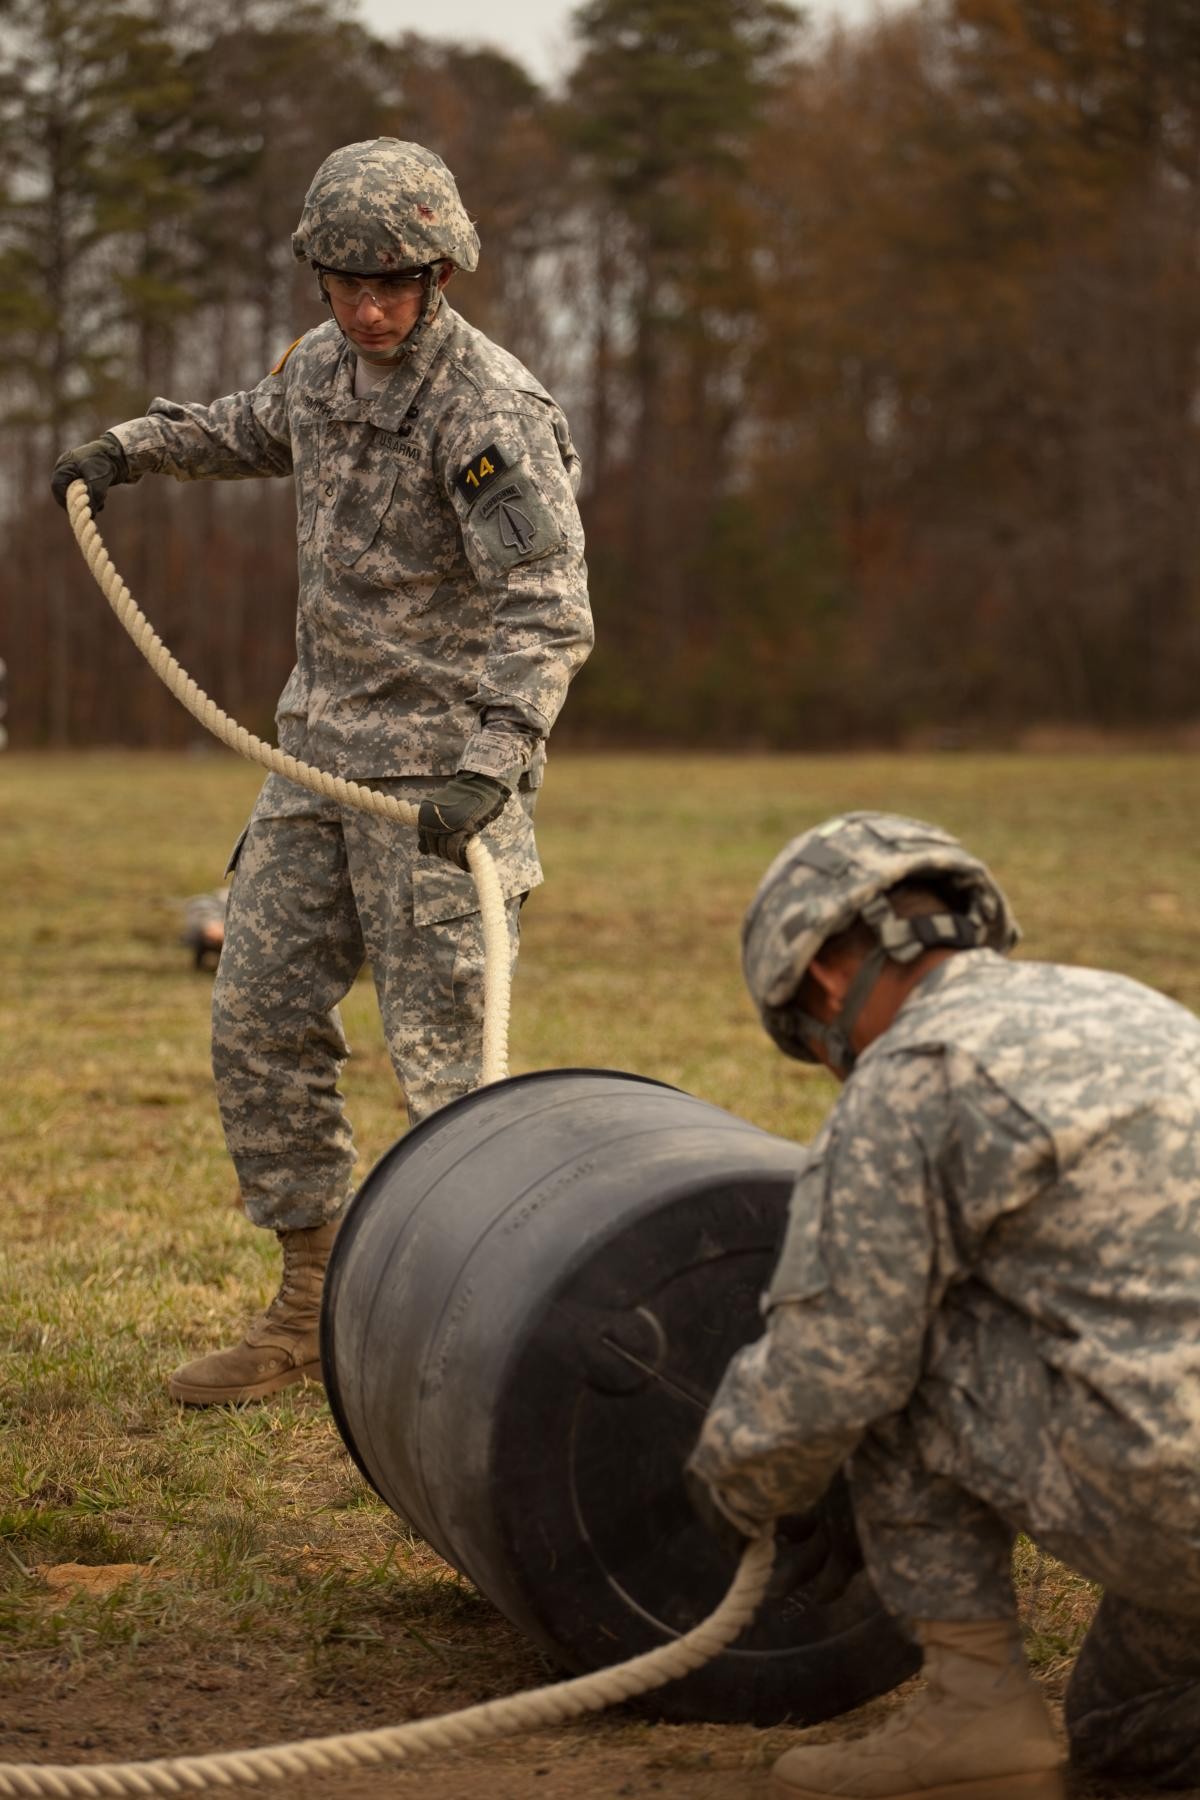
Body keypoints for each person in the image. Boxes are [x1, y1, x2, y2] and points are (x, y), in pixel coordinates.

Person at [51, 138, 593, 1407]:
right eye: (345, 281)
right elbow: (251, 424)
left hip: (439, 792)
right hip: (314, 764)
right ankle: (305, 1311)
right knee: (257, 1022)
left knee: (451, 1076)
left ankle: (476, 1345)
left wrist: (492, 767)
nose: (369, 307)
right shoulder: (324, 371)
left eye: (394, 282)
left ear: (442, 270)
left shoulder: (487, 410)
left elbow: (548, 605)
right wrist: (129, 450)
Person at [687, 811, 1200, 1800]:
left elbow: (835, 1368)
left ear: (826, 979)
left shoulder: (913, 1078)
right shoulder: (1134, 1008)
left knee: (894, 1337)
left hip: (1177, 1501)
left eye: (808, 1040)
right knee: (1130, 1728)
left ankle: (976, 1712)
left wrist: (734, 1481)